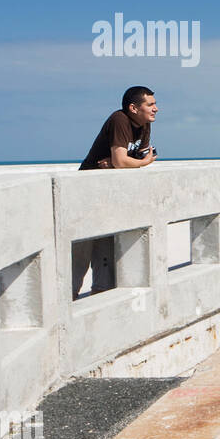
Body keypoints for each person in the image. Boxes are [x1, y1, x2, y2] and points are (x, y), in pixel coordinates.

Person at [72, 86, 158, 298]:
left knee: (106, 251)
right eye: (150, 104)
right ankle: (68, 300)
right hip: (87, 192)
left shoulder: (144, 125)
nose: (156, 108)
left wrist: (124, 163)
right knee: (80, 253)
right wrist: (143, 162)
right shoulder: (119, 120)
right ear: (133, 108)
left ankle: (100, 297)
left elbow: (123, 162)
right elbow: (124, 160)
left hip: (110, 195)